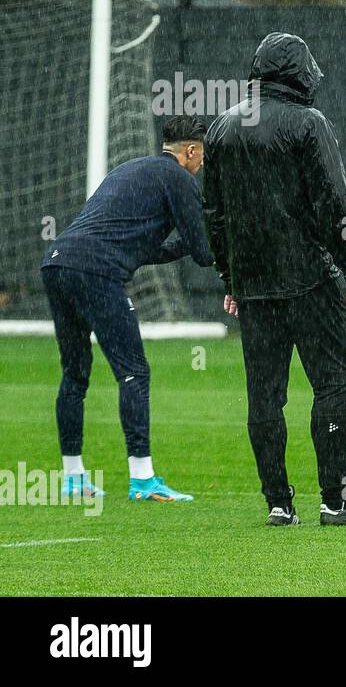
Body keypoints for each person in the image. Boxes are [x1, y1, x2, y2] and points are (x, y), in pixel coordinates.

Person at [205, 31, 346, 527]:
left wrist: (230, 278)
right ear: (298, 73)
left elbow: (214, 215)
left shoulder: (221, 128)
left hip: (254, 286)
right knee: (333, 384)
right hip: (309, 278)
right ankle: (335, 501)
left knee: (265, 395)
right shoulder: (308, 123)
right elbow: (336, 201)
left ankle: (278, 504)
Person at [41, 116, 214, 503]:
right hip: (94, 270)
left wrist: (186, 242)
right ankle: (142, 479)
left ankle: (73, 477)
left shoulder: (132, 168)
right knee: (134, 372)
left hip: (56, 261)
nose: (202, 164)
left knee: (75, 372)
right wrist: (223, 232)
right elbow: (203, 253)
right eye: (202, 155)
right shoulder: (179, 179)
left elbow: (145, 249)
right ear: (190, 151)